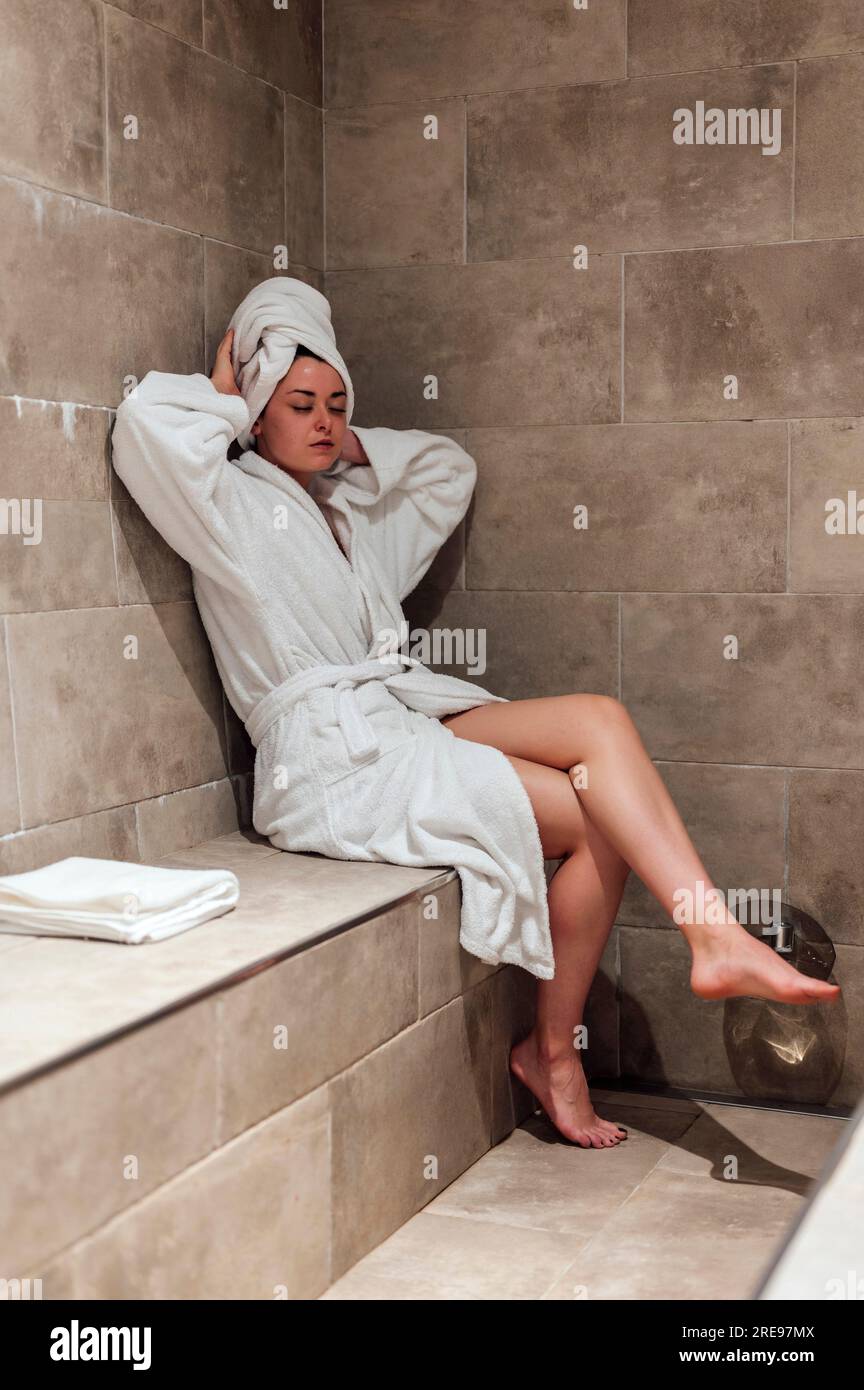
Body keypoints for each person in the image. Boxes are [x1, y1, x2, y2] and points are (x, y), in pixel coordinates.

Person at [112, 277, 840, 1152]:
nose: (323, 422)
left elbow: (445, 471)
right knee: (601, 823)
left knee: (600, 721)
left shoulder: (345, 512)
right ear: (260, 408)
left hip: (394, 715)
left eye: (337, 405)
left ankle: (705, 931)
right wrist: (229, 401)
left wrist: (343, 452)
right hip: (330, 761)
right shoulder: (224, 505)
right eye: (299, 403)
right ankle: (557, 1050)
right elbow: (145, 430)